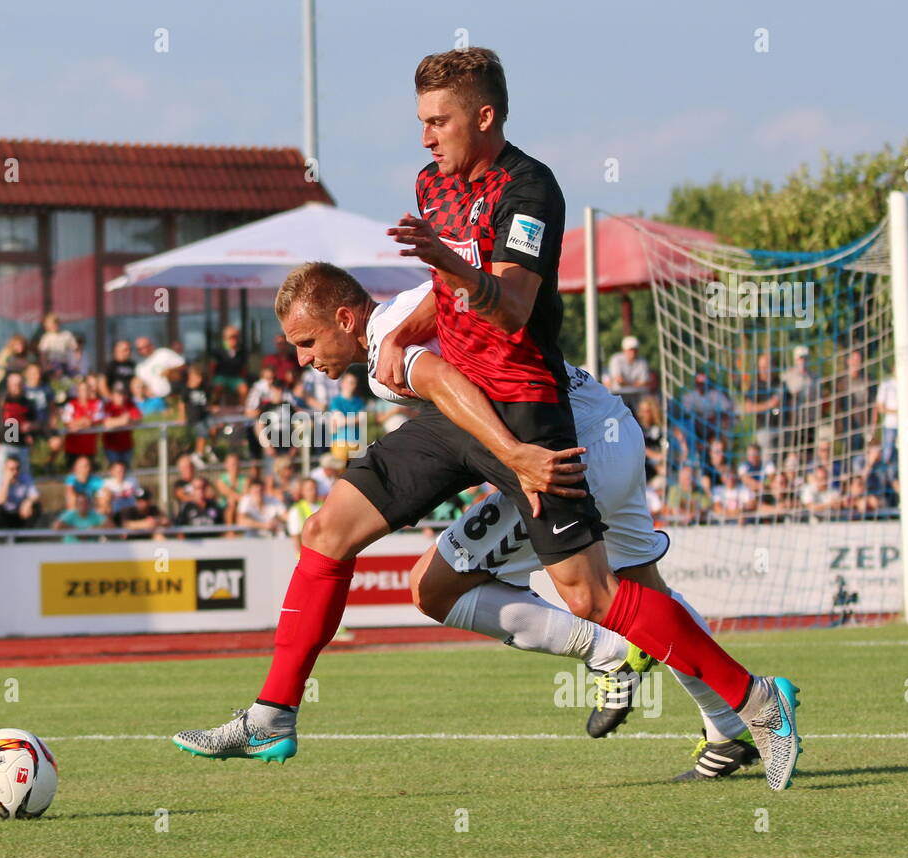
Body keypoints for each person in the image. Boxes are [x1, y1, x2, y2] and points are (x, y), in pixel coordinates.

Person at [176, 54, 800, 781]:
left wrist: (511, 435)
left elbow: (508, 307)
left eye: (438, 121)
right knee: (328, 532)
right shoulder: (431, 188)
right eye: (420, 123)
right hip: (467, 413)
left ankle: (753, 700)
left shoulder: (529, 188)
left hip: (529, 410)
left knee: (594, 594)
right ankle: (272, 716)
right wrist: (430, 301)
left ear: (485, 117)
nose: (425, 138)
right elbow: (441, 319)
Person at [0, 372, 36, 488]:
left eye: (19, 384)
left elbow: (37, 423)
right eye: (13, 385)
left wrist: (30, 427)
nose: (16, 387)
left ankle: (25, 501)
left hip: (21, 445)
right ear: (8, 385)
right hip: (3, 444)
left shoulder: (28, 402)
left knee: (24, 476)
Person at [740, 351, 784, 462]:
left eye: (766, 366)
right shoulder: (756, 385)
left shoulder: (779, 383)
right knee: (768, 462)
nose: (763, 369)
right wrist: (769, 405)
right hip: (765, 428)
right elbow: (748, 407)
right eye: (761, 367)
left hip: (783, 427)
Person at [602, 335, 654, 411]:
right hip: (618, 394)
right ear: (624, 350)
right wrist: (635, 384)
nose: (633, 352)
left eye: (635, 349)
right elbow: (619, 380)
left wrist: (627, 383)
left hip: (637, 396)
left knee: (646, 406)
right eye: (630, 349)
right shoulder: (616, 359)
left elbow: (645, 382)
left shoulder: (642, 361)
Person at [59, 379, 102, 468]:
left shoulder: (96, 403)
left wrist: (78, 423)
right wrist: (84, 421)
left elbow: (97, 420)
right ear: (78, 391)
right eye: (81, 389)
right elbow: (67, 422)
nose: (84, 392)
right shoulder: (71, 404)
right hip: (73, 448)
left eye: (86, 389)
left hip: (89, 448)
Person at [97, 380, 140, 467]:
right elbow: (106, 422)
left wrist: (126, 421)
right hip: (111, 447)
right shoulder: (108, 406)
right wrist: (123, 421)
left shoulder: (129, 404)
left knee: (127, 471)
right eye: (118, 394)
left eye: (123, 394)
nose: (121, 397)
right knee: (114, 470)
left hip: (127, 446)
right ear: (112, 395)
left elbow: (138, 419)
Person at [181, 365, 216, 464]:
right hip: (194, 418)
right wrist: (182, 416)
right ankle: (198, 454)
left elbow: (207, 402)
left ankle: (210, 449)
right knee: (203, 433)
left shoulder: (203, 388)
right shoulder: (186, 390)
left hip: (205, 415)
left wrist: (211, 408)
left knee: (214, 428)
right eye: (197, 377)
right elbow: (182, 404)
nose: (200, 380)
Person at [0, 455, 39, 529]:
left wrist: (28, 501)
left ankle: (26, 535)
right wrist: (6, 482)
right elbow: (0, 501)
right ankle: (2, 535)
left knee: (36, 506)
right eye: (11, 469)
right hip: (5, 515)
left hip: (20, 514)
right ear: (5, 469)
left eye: (17, 468)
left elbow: (35, 495)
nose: (15, 472)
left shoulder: (25, 478)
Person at [134, 335, 185, 399]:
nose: (144, 350)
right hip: (154, 400)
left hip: (173, 397)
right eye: (140, 349)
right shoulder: (140, 366)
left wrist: (171, 370)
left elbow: (183, 366)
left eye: (146, 346)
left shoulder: (164, 353)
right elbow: (141, 385)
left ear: (151, 345)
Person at [210, 325, 249, 404]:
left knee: (244, 389)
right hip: (221, 377)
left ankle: (242, 409)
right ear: (225, 338)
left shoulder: (242, 351)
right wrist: (211, 379)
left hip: (236, 378)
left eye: (236, 337)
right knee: (217, 388)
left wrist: (243, 379)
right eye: (231, 337)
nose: (234, 339)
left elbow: (244, 368)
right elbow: (212, 367)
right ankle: (214, 407)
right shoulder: (218, 351)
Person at [36, 313, 79, 379]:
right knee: (58, 374)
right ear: (47, 326)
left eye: (56, 323)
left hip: (66, 363)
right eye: (51, 324)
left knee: (76, 376)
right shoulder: (46, 338)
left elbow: (75, 350)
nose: (54, 325)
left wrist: (76, 363)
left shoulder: (66, 335)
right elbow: (43, 354)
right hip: (53, 363)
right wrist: (45, 367)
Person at [285, 477, 321, 549]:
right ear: (302, 491)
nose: (314, 491)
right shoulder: (296, 510)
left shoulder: (324, 506)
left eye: (315, 488)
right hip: (307, 554)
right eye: (310, 489)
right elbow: (296, 536)